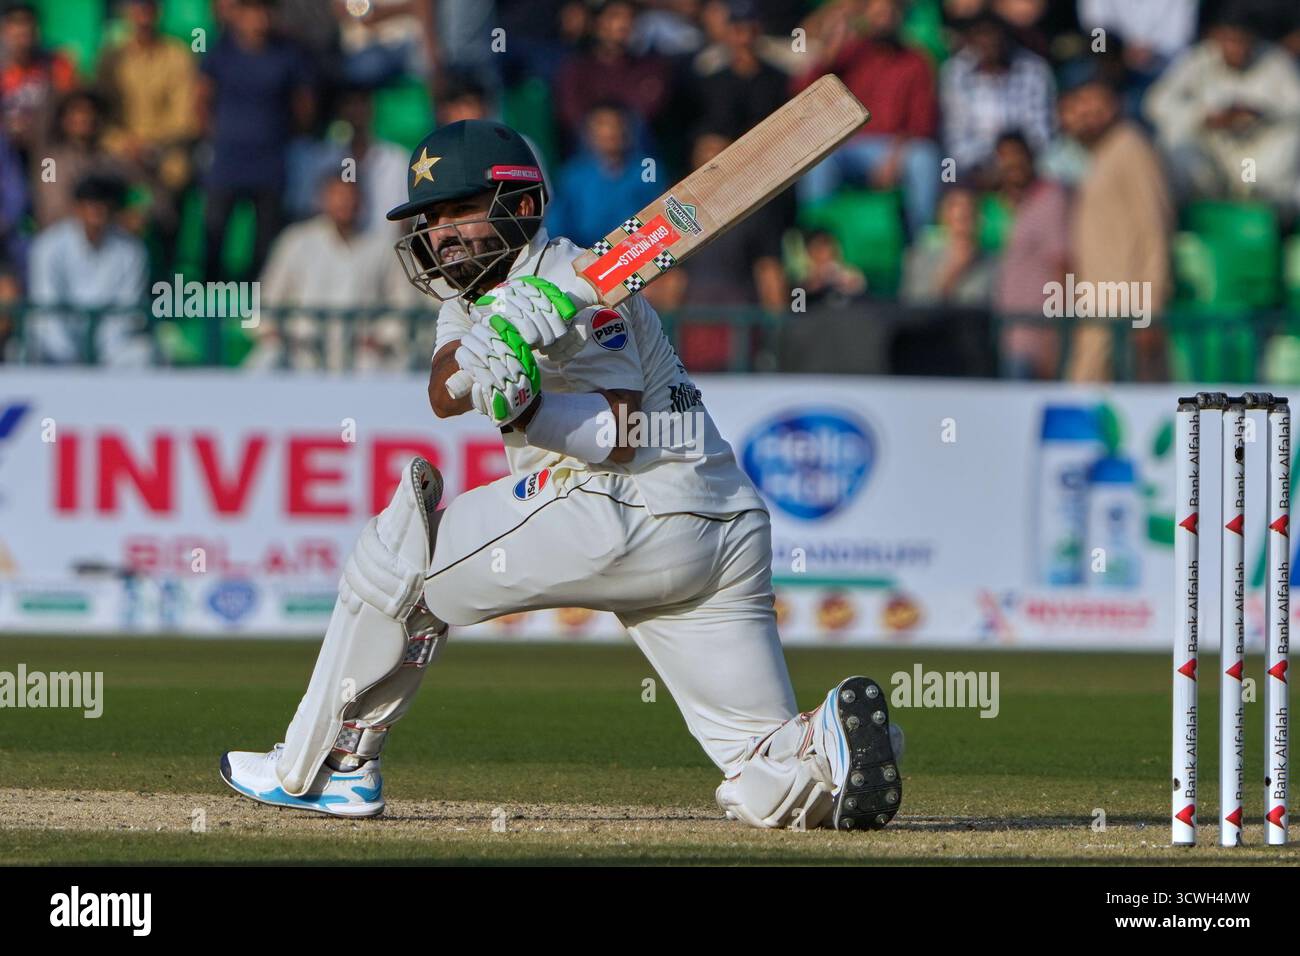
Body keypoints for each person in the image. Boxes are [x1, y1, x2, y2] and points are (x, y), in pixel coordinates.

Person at [219, 118, 905, 832]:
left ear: (516, 205)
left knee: (403, 554)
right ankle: (825, 748)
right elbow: (442, 391)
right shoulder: (468, 301)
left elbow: (625, 431)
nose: (439, 233)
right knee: (756, 758)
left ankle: (328, 767)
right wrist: (493, 349)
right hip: (721, 529)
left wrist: (531, 401)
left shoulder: (583, 283)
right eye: (430, 218)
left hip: (628, 505)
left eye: (457, 212)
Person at [793, 0, 940, 236]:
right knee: (817, 160)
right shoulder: (851, 54)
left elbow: (921, 123)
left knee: (925, 158)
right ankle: (815, 241)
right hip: (847, 147)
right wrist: (829, 54)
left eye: (889, 13)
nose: (883, 19)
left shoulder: (916, 61)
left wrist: (893, 157)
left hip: (895, 147)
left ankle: (920, 240)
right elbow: (804, 94)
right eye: (877, 13)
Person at [251, 175, 420, 371]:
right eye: (337, 197)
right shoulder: (296, 241)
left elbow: (404, 301)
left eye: (350, 197)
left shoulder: (382, 245)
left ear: (361, 200)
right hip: (302, 352)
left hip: (363, 356)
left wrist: (382, 337)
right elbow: (268, 295)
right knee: (266, 361)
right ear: (323, 200)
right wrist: (271, 332)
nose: (344, 204)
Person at [197, 0, 316, 280]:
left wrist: (285, 133)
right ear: (238, 15)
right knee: (215, 229)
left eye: (265, 11)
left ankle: (258, 293)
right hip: (227, 157)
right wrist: (216, 135)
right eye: (252, 12)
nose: (258, 19)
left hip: (271, 157)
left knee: (266, 234)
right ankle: (209, 294)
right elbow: (201, 99)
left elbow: (304, 104)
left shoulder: (288, 53)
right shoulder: (219, 51)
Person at [1065, 74, 1172, 382]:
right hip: (1100, 309)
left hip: (1126, 310)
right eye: (1078, 104)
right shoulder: (1101, 155)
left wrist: (1150, 312)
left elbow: (1154, 228)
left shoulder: (1131, 146)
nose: (1085, 112)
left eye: (1094, 102)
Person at [1144, 6, 1300, 210]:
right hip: (1212, 153)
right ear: (1216, 37)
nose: (1236, 48)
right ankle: (1194, 215)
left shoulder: (1274, 60)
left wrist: (1261, 113)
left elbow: (1295, 108)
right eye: (1229, 40)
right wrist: (1204, 116)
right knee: (1173, 140)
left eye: (1242, 41)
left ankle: (1261, 210)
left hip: (1254, 157)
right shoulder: (1198, 59)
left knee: (1290, 138)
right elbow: (1155, 103)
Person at [26, 174, 149, 366]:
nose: (97, 213)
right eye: (91, 205)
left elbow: (127, 311)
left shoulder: (131, 251)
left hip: (111, 348)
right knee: (34, 347)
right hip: (57, 346)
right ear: (77, 208)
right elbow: (46, 306)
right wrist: (72, 356)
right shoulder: (48, 246)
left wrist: (98, 352)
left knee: (142, 354)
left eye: (104, 206)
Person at [991, 131, 1069, 379]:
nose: (1011, 164)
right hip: (1004, 333)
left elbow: (1062, 267)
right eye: (1004, 158)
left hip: (1035, 336)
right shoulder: (1003, 205)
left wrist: (1053, 336)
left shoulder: (1051, 200)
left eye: (1017, 156)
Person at [940, 10, 1055, 178]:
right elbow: (955, 138)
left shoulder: (1034, 69)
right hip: (974, 167)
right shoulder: (955, 74)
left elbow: (1041, 132)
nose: (989, 41)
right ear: (969, 40)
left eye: (994, 34)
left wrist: (1012, 160)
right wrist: (990, 162)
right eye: (981, 35)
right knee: (947, 172)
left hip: (1026, 162)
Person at [901, 186, 993, 308]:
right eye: (958, 219)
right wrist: (949, 277)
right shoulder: (919, 260)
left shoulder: (993, 266)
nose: (963, 226)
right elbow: (914, 312)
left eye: (968, 217)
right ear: (943, 217)